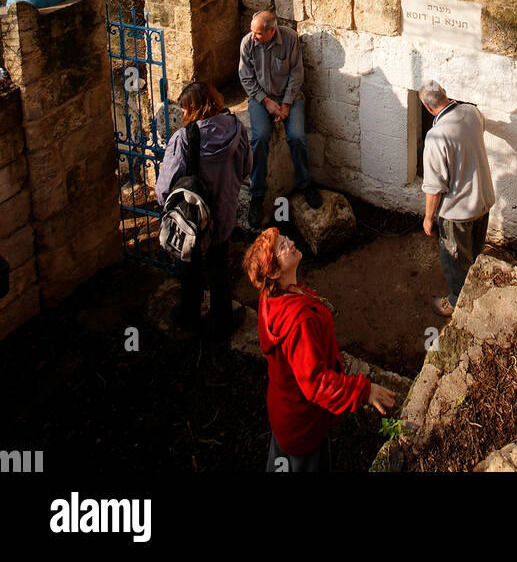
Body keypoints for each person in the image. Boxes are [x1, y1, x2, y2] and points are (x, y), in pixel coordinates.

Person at [243, 227, 396, 471]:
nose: (290, 243)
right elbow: (315, 382)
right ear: (272, 271)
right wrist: (363, 391)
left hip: (287, 412)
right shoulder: (298, 321)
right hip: (302, 424)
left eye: (285, 239)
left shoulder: (271, 298)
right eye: (282, 247)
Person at [156, 80, 252, 338]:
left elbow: (164, 188)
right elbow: (246, 167)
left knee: (191, 270)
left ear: (193, 109)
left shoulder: (185, 139)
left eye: (185, 109)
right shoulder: (236, 128)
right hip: (225, 212)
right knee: (219, 266)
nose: (183, 114)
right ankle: (223, 321)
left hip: (194, 219)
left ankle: (189, 321)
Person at [239, 10, 320, 229]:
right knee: (260, 138)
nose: (253, 36)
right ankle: (257, 195)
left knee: (297, 137)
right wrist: (266, 102)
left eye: (257, 33)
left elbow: (297, 74)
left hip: (289, 97)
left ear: (271, 30)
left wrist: (285, 105)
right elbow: (246, 77)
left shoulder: (290, 38)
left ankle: (305, 183)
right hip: (260, 98)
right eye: (252, 32)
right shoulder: (247, 43)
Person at [420, 79, 495, 318]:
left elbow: (434, 187)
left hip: (458, 211)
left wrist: (428, 218)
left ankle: (457, 302)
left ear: (428, 108)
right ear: (445, 93)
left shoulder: (436, 137)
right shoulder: (472, 112)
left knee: (454, 259)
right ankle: (475, 288)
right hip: (483, 200)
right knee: (474, 250)